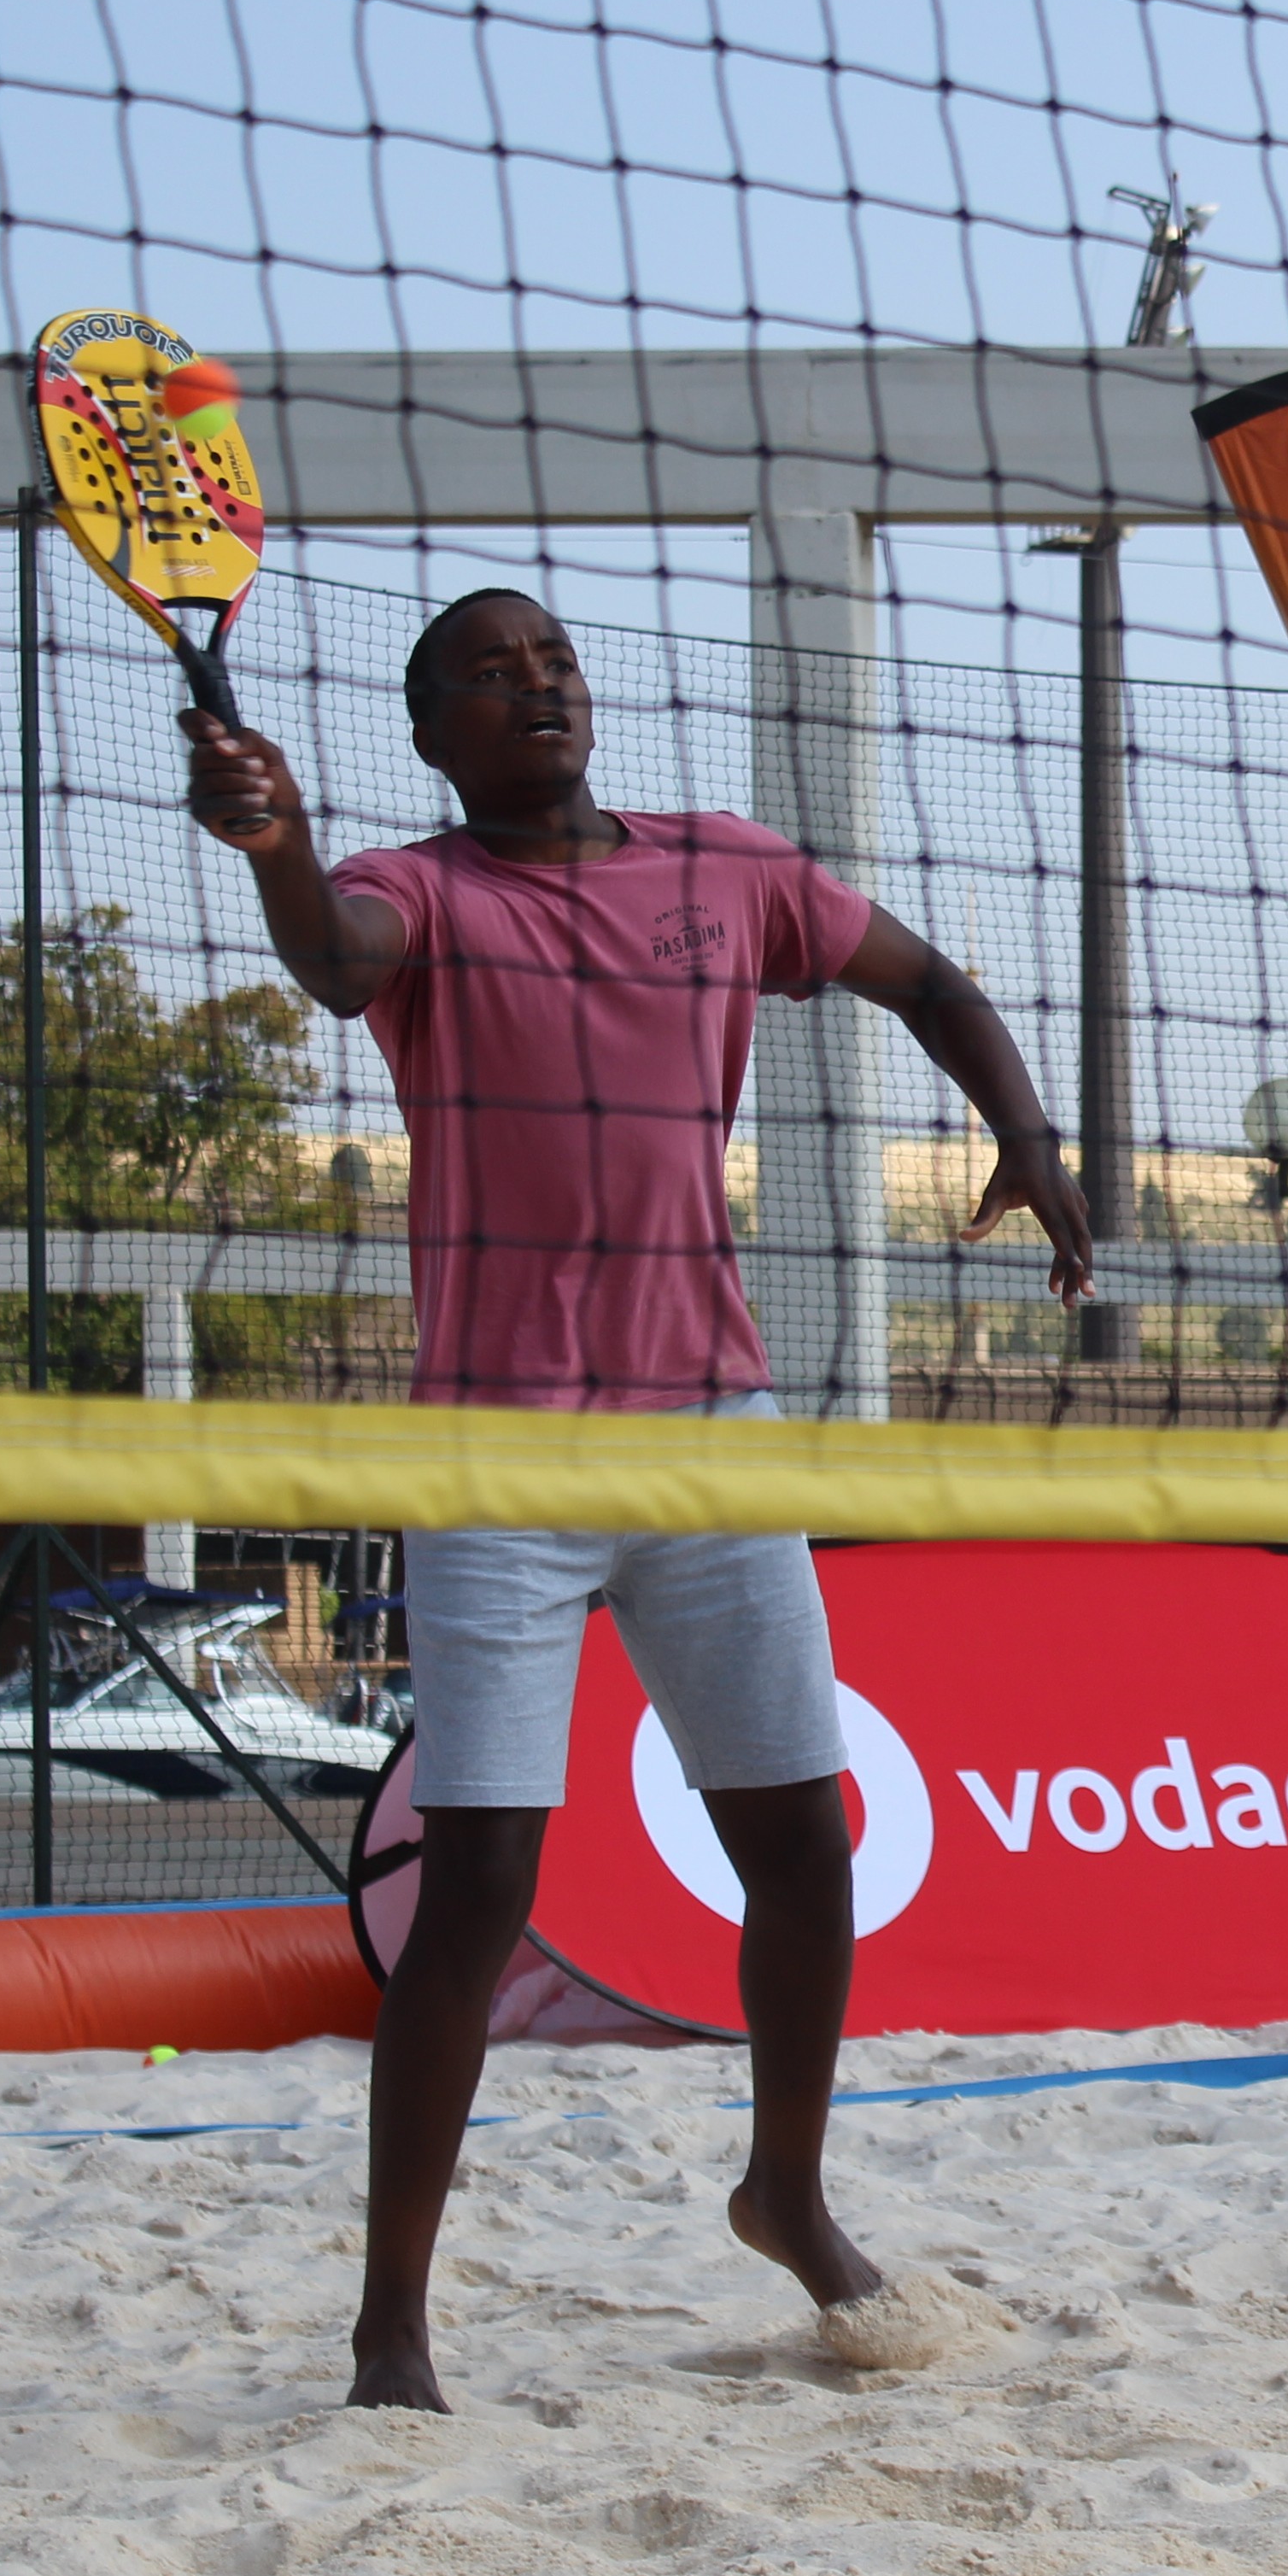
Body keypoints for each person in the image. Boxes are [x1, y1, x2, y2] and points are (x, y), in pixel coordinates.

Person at [183, 587, 1091, 2412]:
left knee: (806, 1849)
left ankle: (787, 2193)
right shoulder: (422, 890)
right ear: (432, 737)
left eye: (553, 662)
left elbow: (929, 981)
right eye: (488, 675)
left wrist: (1026, 1130)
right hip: (497, 1456)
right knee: (478, 1887)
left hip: (706, 1435)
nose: (536, 686)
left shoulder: (724, 868)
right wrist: (273, 841)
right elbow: (335, 960)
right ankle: (391, 2325)